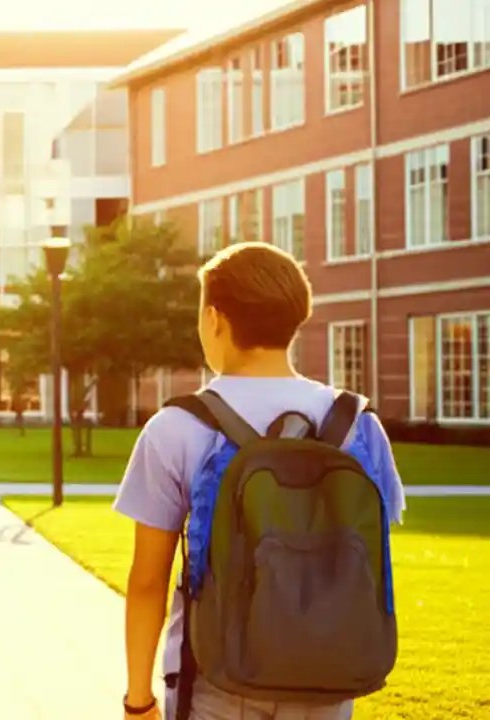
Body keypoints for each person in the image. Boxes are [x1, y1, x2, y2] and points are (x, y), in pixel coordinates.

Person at [113, 242, 405, 720]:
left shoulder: (178, 427)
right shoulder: (357, 422)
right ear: (296, 318)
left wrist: (137, 700)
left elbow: (148, 581)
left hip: (218, 682)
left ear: (214, 319)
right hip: (329, 680)